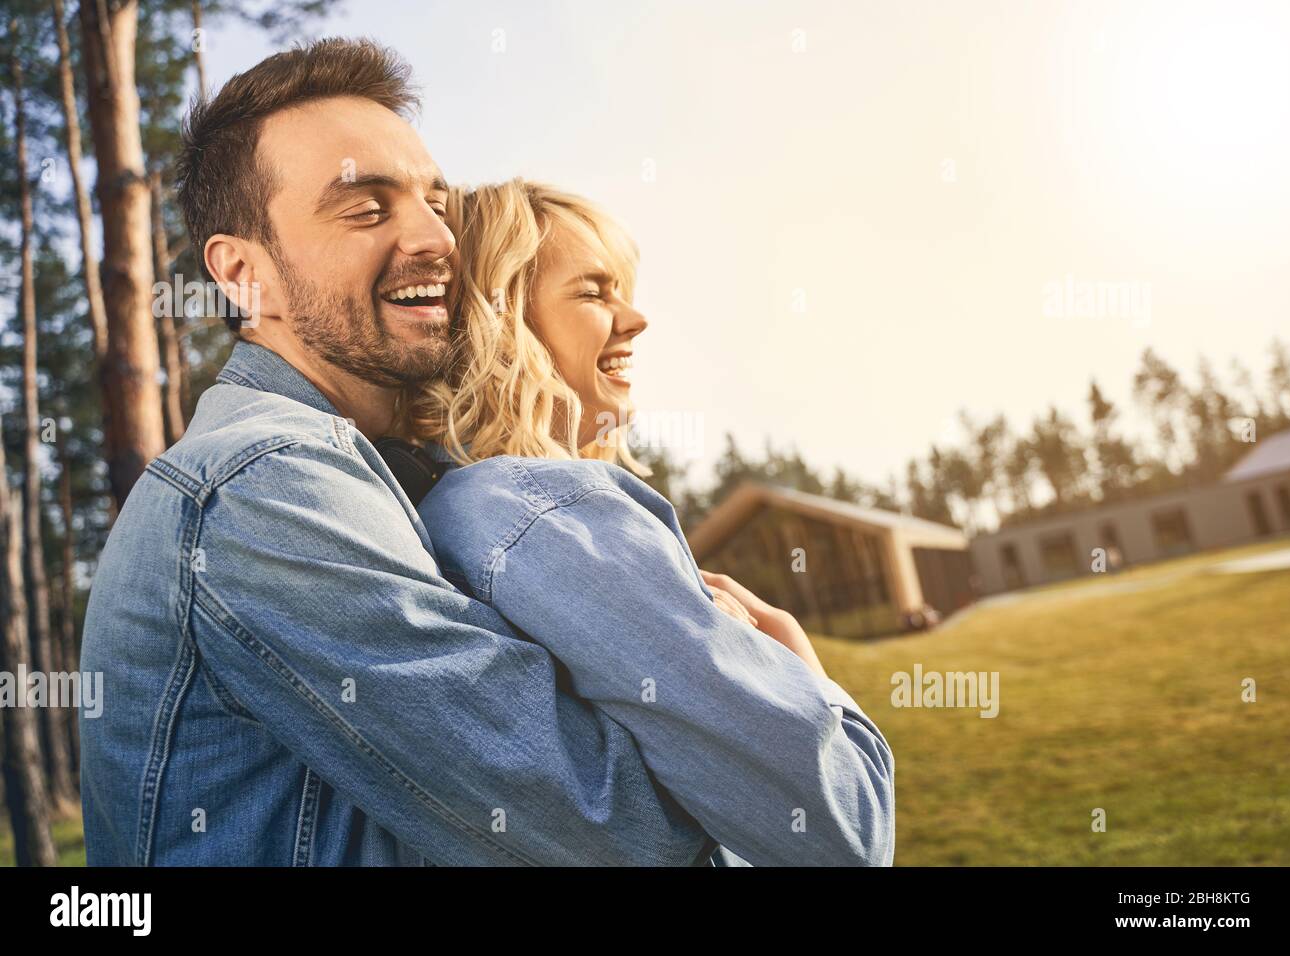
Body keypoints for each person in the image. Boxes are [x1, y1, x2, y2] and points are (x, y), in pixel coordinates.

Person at [79, 38, 712, 866]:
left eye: (436, 204)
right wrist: (781, 696)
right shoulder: (267, 486)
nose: (436, 239)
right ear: (242, 273)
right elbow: (609, 833)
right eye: (367, 208)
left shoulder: (386, 473)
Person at [406, 180, 896, 865]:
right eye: (594, 292)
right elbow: (843, 831)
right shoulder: (541, 513)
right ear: (505, 313)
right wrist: (799, 667)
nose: (634, 320)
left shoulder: (454, 510)